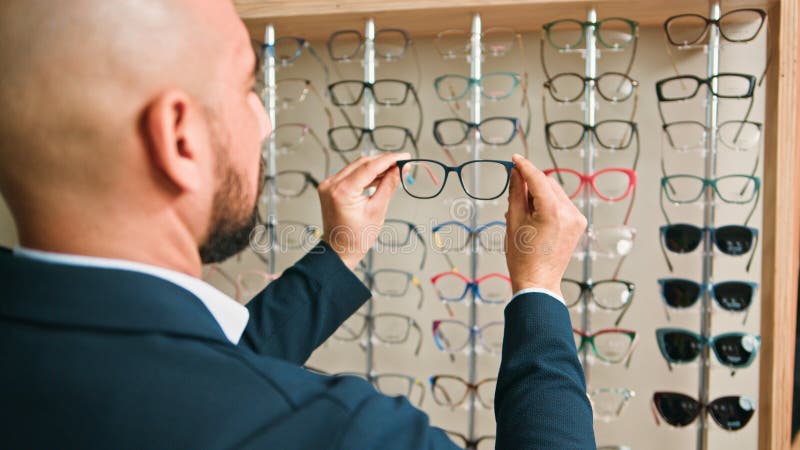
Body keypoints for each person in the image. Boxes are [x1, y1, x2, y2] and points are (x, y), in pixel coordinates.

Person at [0, 0, 594, 448]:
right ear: (179, 138)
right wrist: (539, 290)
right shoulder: (342, 433)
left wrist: (337, 254)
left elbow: (195, 376)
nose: (262, 124)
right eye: (248, 88)